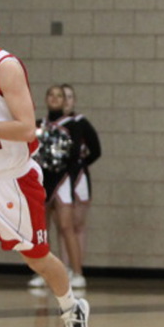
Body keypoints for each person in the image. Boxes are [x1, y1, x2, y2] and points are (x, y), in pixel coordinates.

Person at [0, 0, 88, 327]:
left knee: (37, 258)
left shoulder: (5, 67)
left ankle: (72, 308)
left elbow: (27, 128)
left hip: (12, 179)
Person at [32, 85, 86, 290]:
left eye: (59, 96)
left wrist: (69, 181)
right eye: (51, 95)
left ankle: (78, 272)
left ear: (65, 101)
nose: (55, 99)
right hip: (42, 183)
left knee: (66, 227)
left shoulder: (72, 125)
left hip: (62, 181)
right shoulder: (39, 124)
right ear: (46, 99)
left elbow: (76, 157)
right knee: (42, 231)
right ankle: (42, 273)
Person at [61, 83, 100, 286]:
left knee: (77, 224)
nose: (65, 100)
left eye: (69, 97)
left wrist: (80, 165)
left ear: (74, 101)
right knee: (63, 225)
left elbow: (96, 150)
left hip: (79, 178)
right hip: (59, 178)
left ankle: (78, 269)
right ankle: (64, 268)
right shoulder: (51, 124)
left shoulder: (81, 123)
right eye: (62, 96)